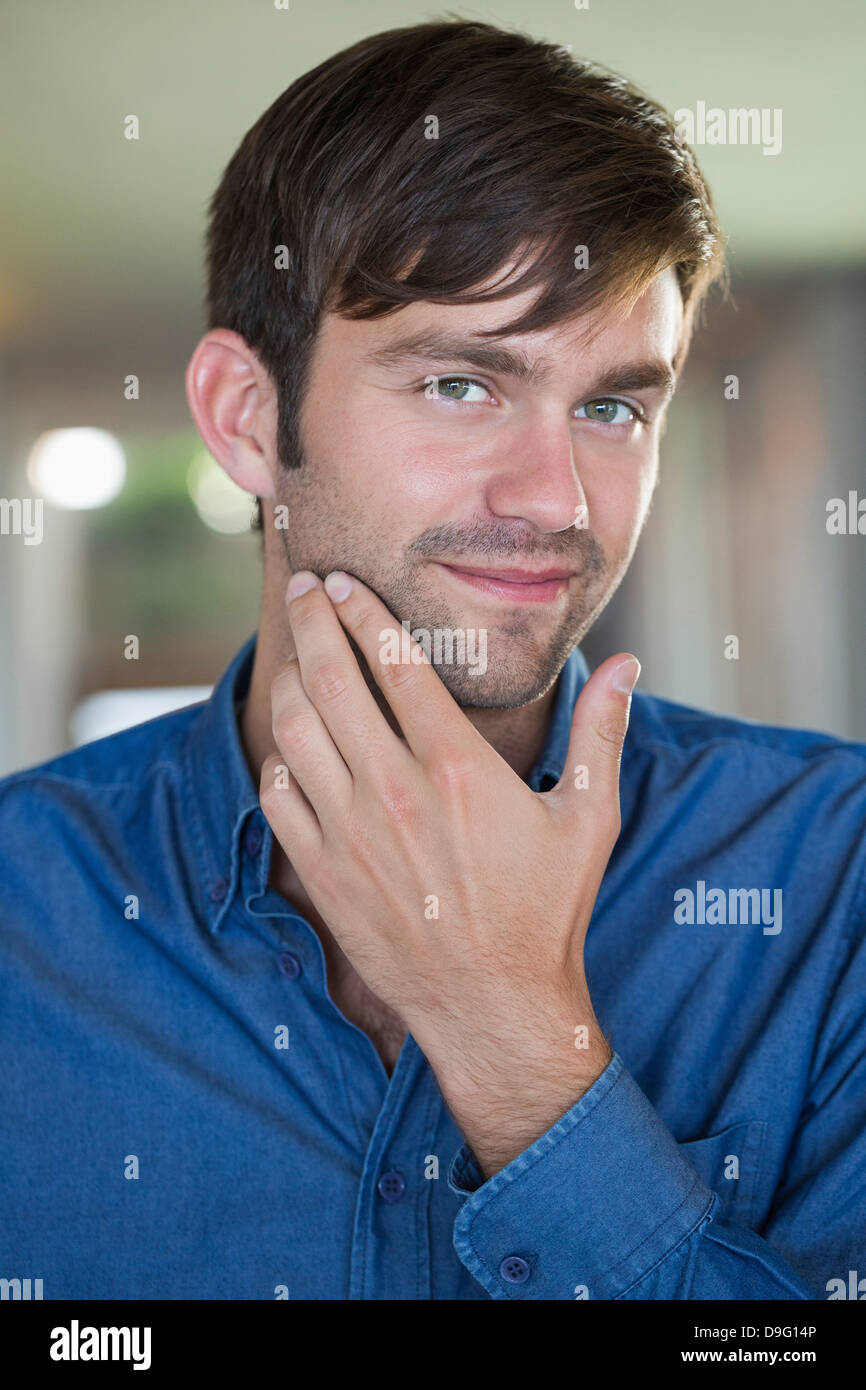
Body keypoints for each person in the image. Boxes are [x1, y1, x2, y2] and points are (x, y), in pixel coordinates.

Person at [2, 18, 864, 1302]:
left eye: (612, 406)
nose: (554, 499)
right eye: (462, 384)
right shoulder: (26, 913)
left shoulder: (833, 874)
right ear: (247, 419)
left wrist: (521, 1050)